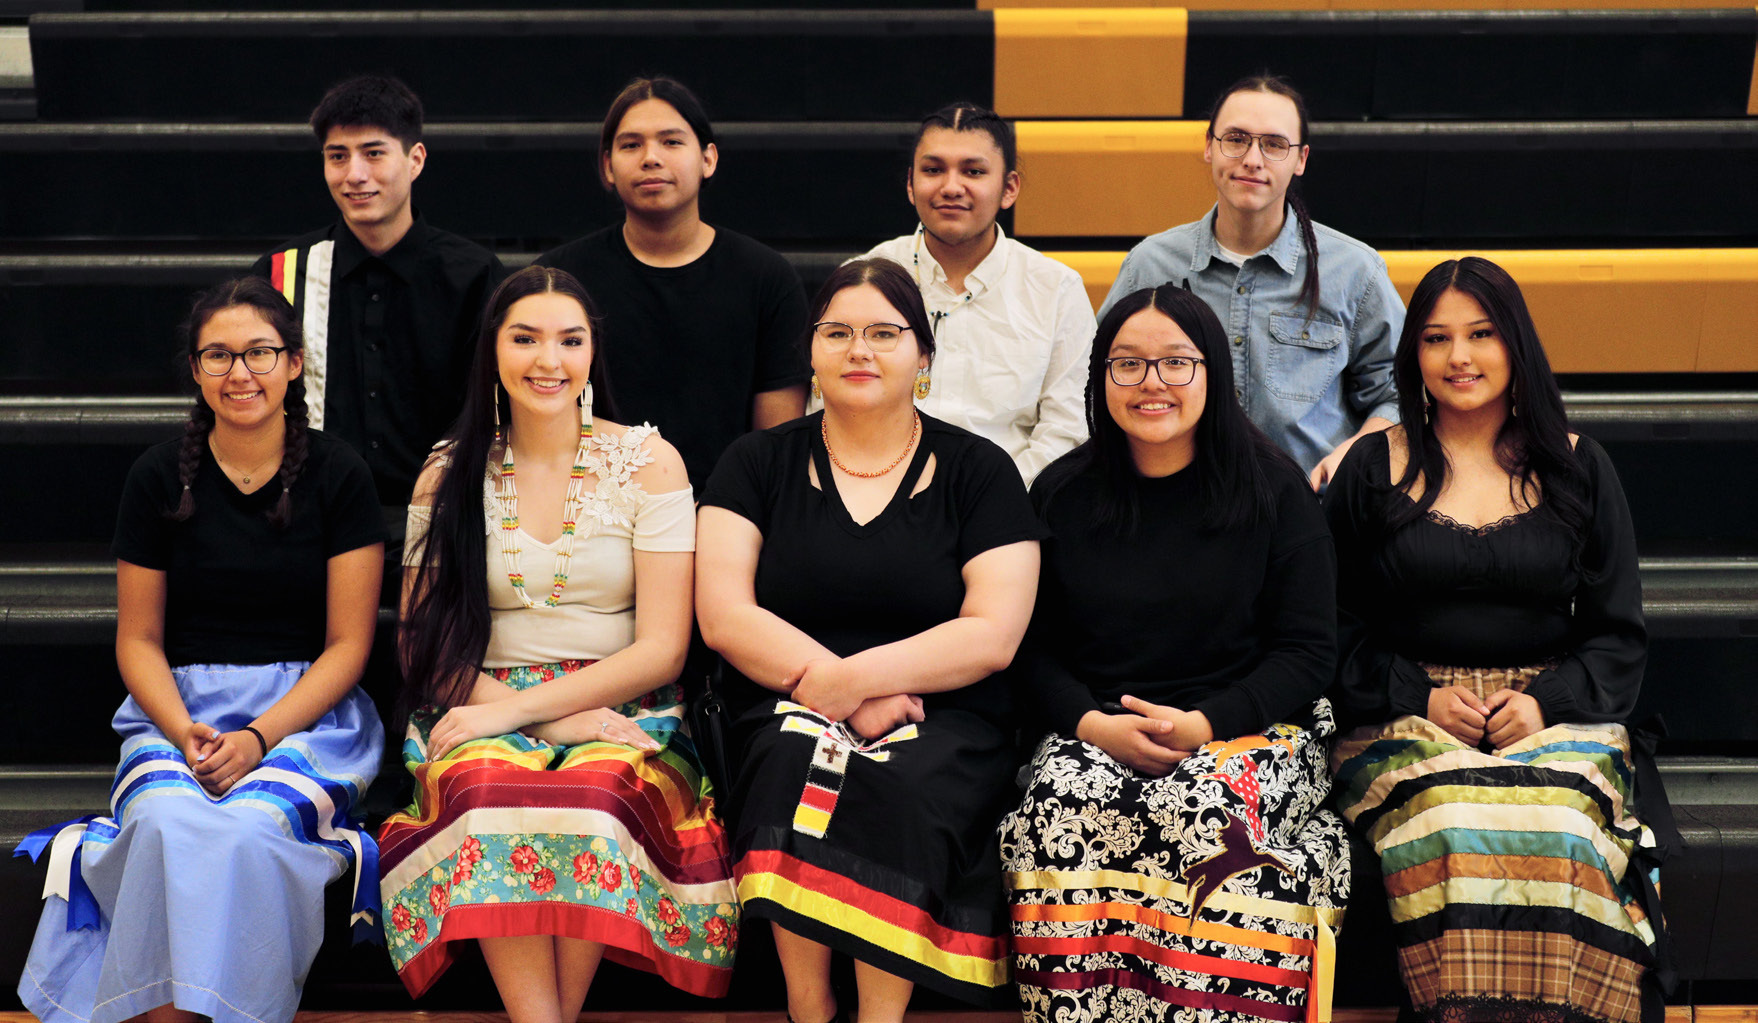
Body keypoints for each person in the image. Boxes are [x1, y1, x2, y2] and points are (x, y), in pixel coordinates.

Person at [17, 278, 387, 1023]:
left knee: (251, 831)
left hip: (303, 717)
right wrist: (183, 728)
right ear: (194, 369)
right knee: (163, 823)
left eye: (258, 353)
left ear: (293, 363)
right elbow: (139, 638)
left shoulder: (340, 473)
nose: (240, 372)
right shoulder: (158, 476)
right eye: (218, 355)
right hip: (179, 711)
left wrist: (258, 738)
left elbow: (349, 645)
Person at [374, 266, 737, 1019]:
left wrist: (559, 717)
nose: (550, 360)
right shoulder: (447, 471)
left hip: (624, 701)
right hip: (480, 699)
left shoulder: (647, 462)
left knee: (594, 792)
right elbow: (424, 645)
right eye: (526, 338)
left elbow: (665, 648)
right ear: (493, 353)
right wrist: (536, 719)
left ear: (592, 352)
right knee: (487, 789)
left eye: (570, 340)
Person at [696, 257, 1044, 1022]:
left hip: (943, 714)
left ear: (924, 355)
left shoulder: (980, 471)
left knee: (897, 779)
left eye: (885, 333)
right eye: (838, 333)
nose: (860, 350)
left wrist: (863, 687)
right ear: (811, 353)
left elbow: (993, 632)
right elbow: (724, 614)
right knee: (797, 754)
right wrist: (840, 691)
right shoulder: (755, 463)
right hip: (789, 699)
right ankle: (809, 1004)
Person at [1325, 257, 1671, 1023]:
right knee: (1450, 818)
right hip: (1397, 715)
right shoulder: (1370, 470)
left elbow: (1617, 632)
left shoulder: (1579, 467)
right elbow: (1328, 627)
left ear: (1515, 345)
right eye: (1437, 338)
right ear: (1412, 354)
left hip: (1552, 714)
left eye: (1481, 334)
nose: (1459, 357)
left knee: (1560, 822)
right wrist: (1418, 695)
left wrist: (1544, 702)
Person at [1000, 285, 1349, 1023]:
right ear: (1100, 378)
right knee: (1066, 805)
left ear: (1213, 373)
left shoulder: (1274, 490)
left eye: (1174, 363)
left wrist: (1206, 723)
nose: (1151, 383)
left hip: (1255, 726)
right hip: (1094, 727)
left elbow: (1310, 648)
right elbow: (1025, 647)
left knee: (1206, 811)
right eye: (1127, 364)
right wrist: (1091, 726)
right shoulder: (1061, 494)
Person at [250, 73, 505, 575]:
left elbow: (493, 414)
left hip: (445, 521)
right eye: (337, 156)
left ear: (415, 160)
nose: (354, 175)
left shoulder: (473, 275)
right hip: (307, 522)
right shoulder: (284, 274)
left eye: (373, 153)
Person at [1098, 73, 1403, 488]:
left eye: (1274, 144)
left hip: (1312, 509)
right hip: (1176, 507)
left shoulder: (1355, 271)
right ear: (1209, 147)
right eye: (1236, 138)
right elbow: (1101, 377)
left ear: (1301, 159)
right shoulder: (1150, 265)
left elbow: (1400, 391)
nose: (1253, 159)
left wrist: (1358, 450)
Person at [535, 75, 811, 492]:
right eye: (631, 145)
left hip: (727, 510)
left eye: (671, 142)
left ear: (708, 159)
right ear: (608, 166)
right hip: (589, 505)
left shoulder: (767, 278)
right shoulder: (561, 279)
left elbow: (775, 447)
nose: (651, 158)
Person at [855, 102, 1091, 483]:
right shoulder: (866, 278)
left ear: (1009, 188)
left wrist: (995, 504)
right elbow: (832, 407)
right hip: (877, 501)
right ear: (911, 185)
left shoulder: (1056, 289)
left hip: (1013, 510)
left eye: (973, 171)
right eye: (933, 170)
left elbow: (1068, 431)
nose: (951, 187)